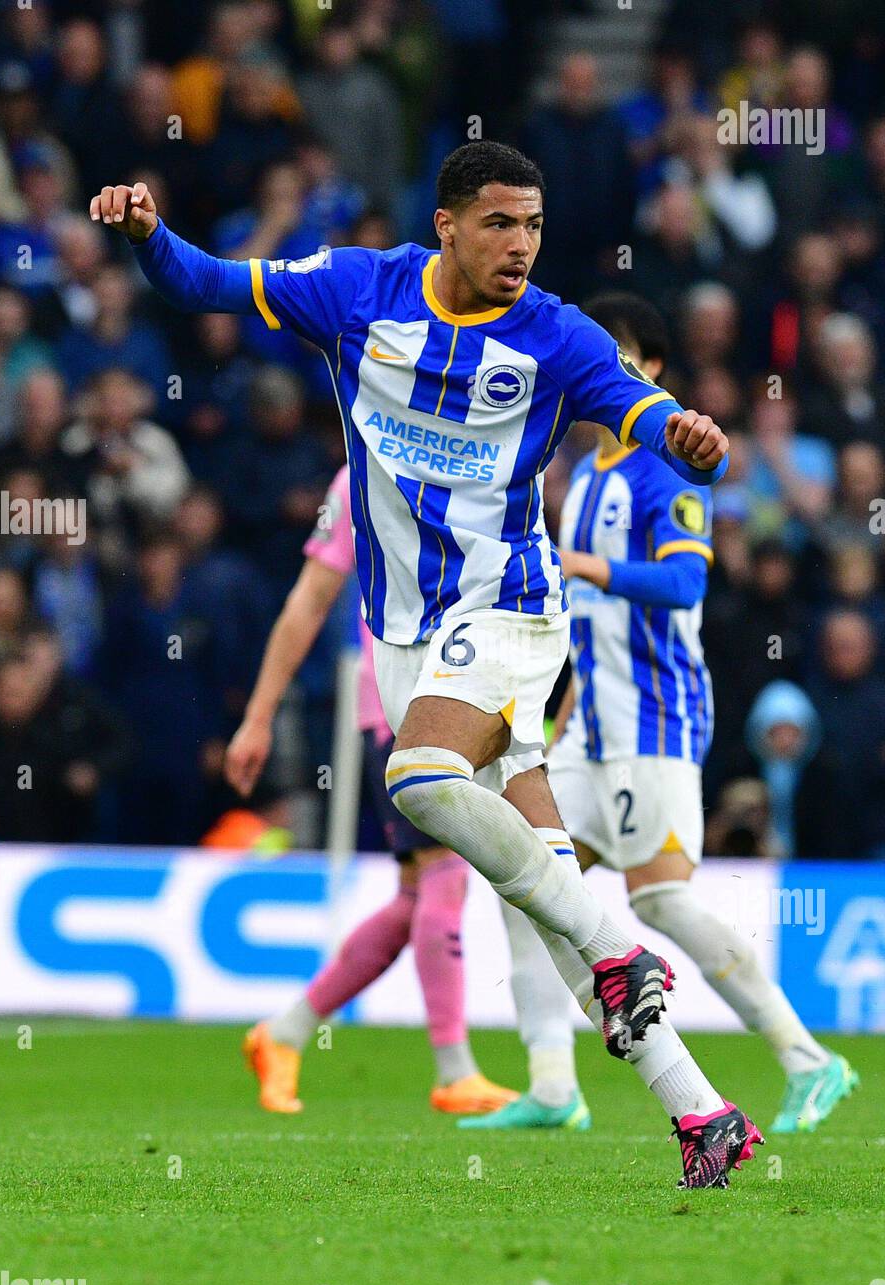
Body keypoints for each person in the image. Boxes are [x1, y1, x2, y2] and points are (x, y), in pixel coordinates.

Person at [89, 140, 759, 1188]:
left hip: (510, 610)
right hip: (403, 632)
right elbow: (205, 285)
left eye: (533, 226)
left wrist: (685, 434)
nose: (521, 246)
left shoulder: (554, 334)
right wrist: (145, 234)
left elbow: (637, 411)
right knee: (548, 904)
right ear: (445, 223)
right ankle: (702, 1113)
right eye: (499, 223)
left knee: (416, 776)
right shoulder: (360, 291)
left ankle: (623, 951)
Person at [489, 292, 857, 1136]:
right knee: (521, 878)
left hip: (656, 720)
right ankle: (551, 1083)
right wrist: (562, 712)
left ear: (650, 369)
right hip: (592, 728)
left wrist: (580, 563)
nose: (601, 370)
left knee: (659, 904)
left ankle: (809, 1058)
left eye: (618, 356)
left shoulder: (666, 466)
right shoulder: (581, 475)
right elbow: (589, 626)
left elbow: (686, 581)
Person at [225, 464, 520, 1118]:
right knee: (443, 875)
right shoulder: (355, 477)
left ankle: (284, 1033)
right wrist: (259, 715)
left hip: (465, 701)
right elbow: (308, 599)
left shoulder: (477, 452)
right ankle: (454, 1072)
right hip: (398, 708)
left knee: (415, 898)